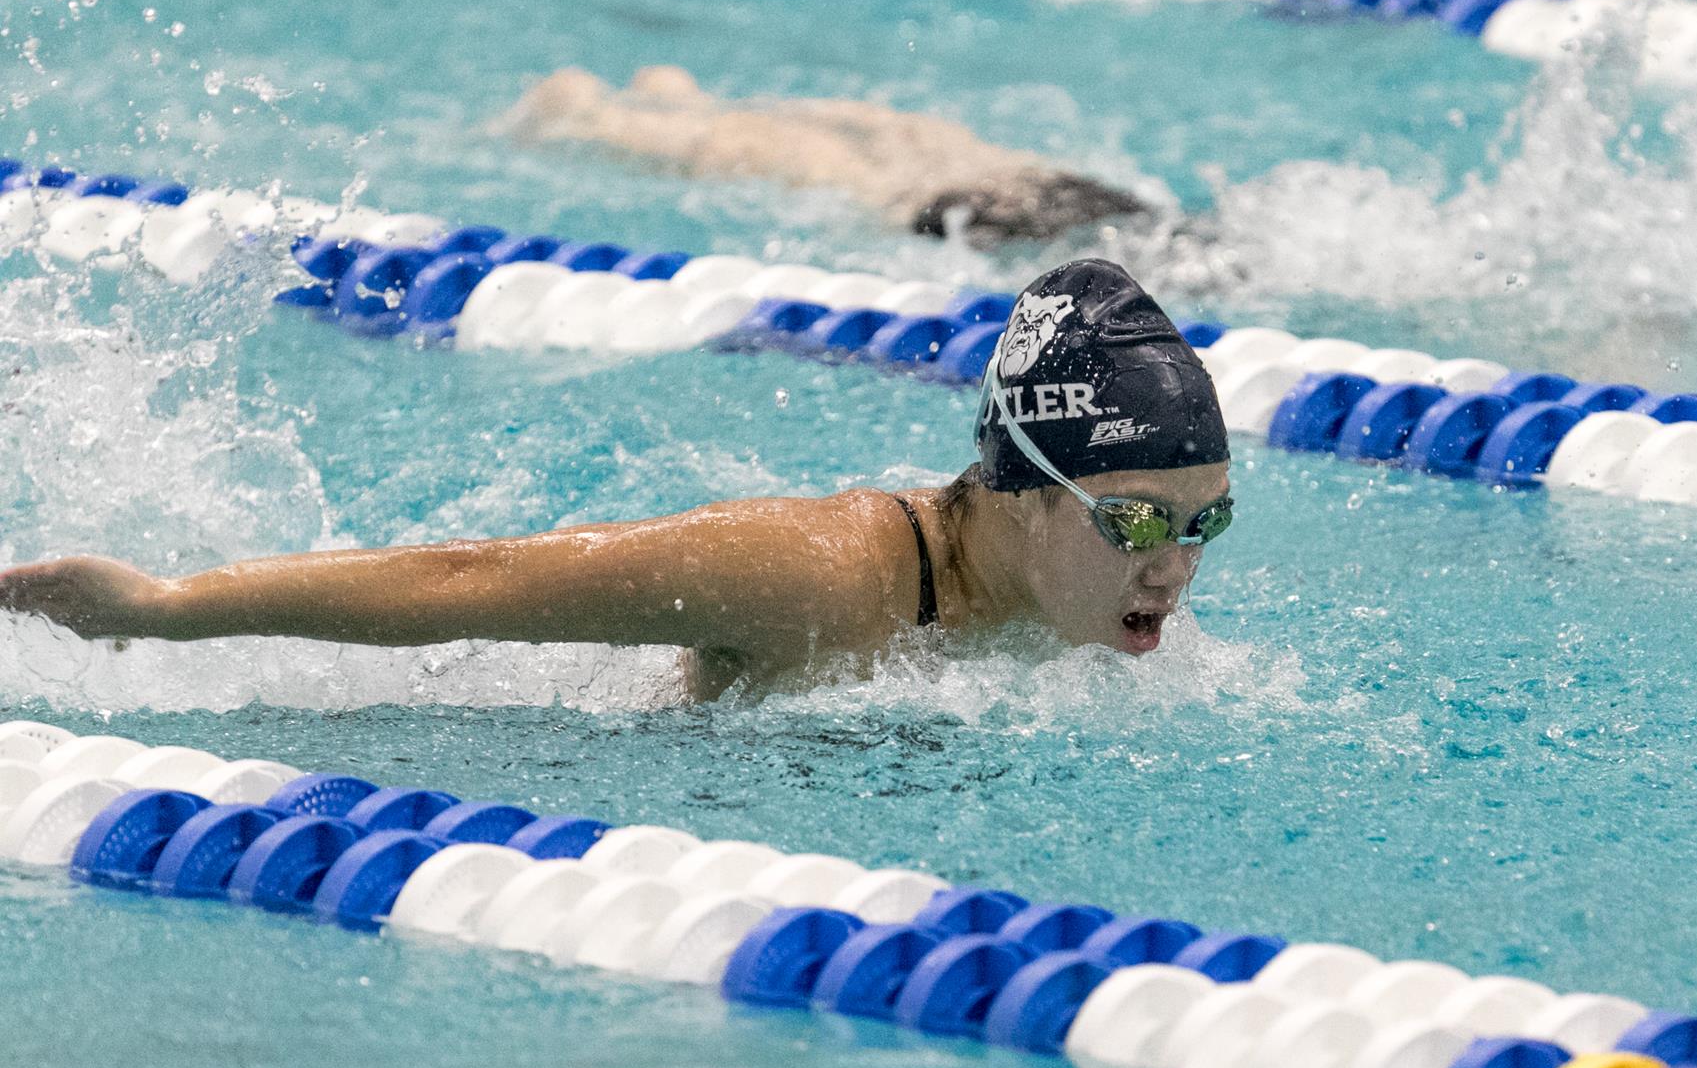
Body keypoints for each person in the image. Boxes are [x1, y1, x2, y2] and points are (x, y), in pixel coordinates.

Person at [0, 260, 1235, 701]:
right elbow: (472, 579)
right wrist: (164, 608)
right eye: (1134, 518)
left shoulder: (1095, 613)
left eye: (1203, 522)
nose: (1173, 566)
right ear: (1019, 487)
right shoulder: (817, 573)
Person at [499, 65, 1150, 247]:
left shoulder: (1170, 237)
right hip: (965, 203)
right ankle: (589, 111)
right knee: (773, 156)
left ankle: (665, 98)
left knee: (886, 138)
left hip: (1026, 181)